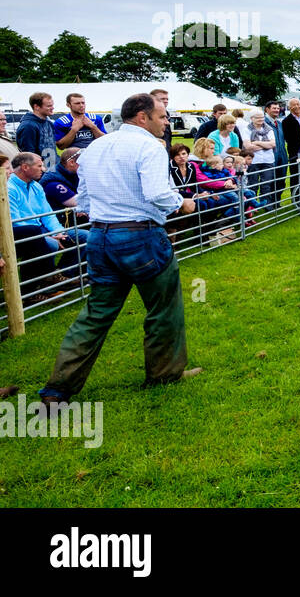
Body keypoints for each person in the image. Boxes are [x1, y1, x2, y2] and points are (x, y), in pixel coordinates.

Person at [35, 93, 203, 408]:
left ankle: (56, 391)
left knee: (95, 314)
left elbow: (83, 201)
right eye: (162, 116)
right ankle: (164, 375)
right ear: (143, 117)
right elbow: (158, 194)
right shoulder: (150, 147)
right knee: (163, 308)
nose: (166, 122)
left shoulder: (93, 148)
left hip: (99, 236)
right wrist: (184, 203)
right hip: (141, 236)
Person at [8, 152, 83, 299]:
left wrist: (59, 232)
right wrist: (48, 236)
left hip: (40, 229)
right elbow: (15, 222)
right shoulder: (10, 189)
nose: (43, 169)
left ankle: (61, 277)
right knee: (50, 244)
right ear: (24, 167)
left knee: (82, 237)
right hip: (24, 233)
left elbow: (48, 215)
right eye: (39, 165)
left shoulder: (36, 186)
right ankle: (34, 288)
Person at [17, 92, 58, 168]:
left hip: (52, 169)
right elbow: (28, 154)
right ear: (36, 107)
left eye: (52, 105)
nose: (52, 108)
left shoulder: (49, 123)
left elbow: (52, 148)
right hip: (39, 172)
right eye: (49, 106)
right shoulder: (28, 126)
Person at [263, 101, 289, 205]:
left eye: (278, 108)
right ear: (267, 109)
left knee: (281, 179)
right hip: (270, 155)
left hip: (282, 155)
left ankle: (276, 201)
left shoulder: (279, 123)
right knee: (269, 180)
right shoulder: (263, 123)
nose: (277, 110)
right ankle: (268, 203)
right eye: (274, 108)